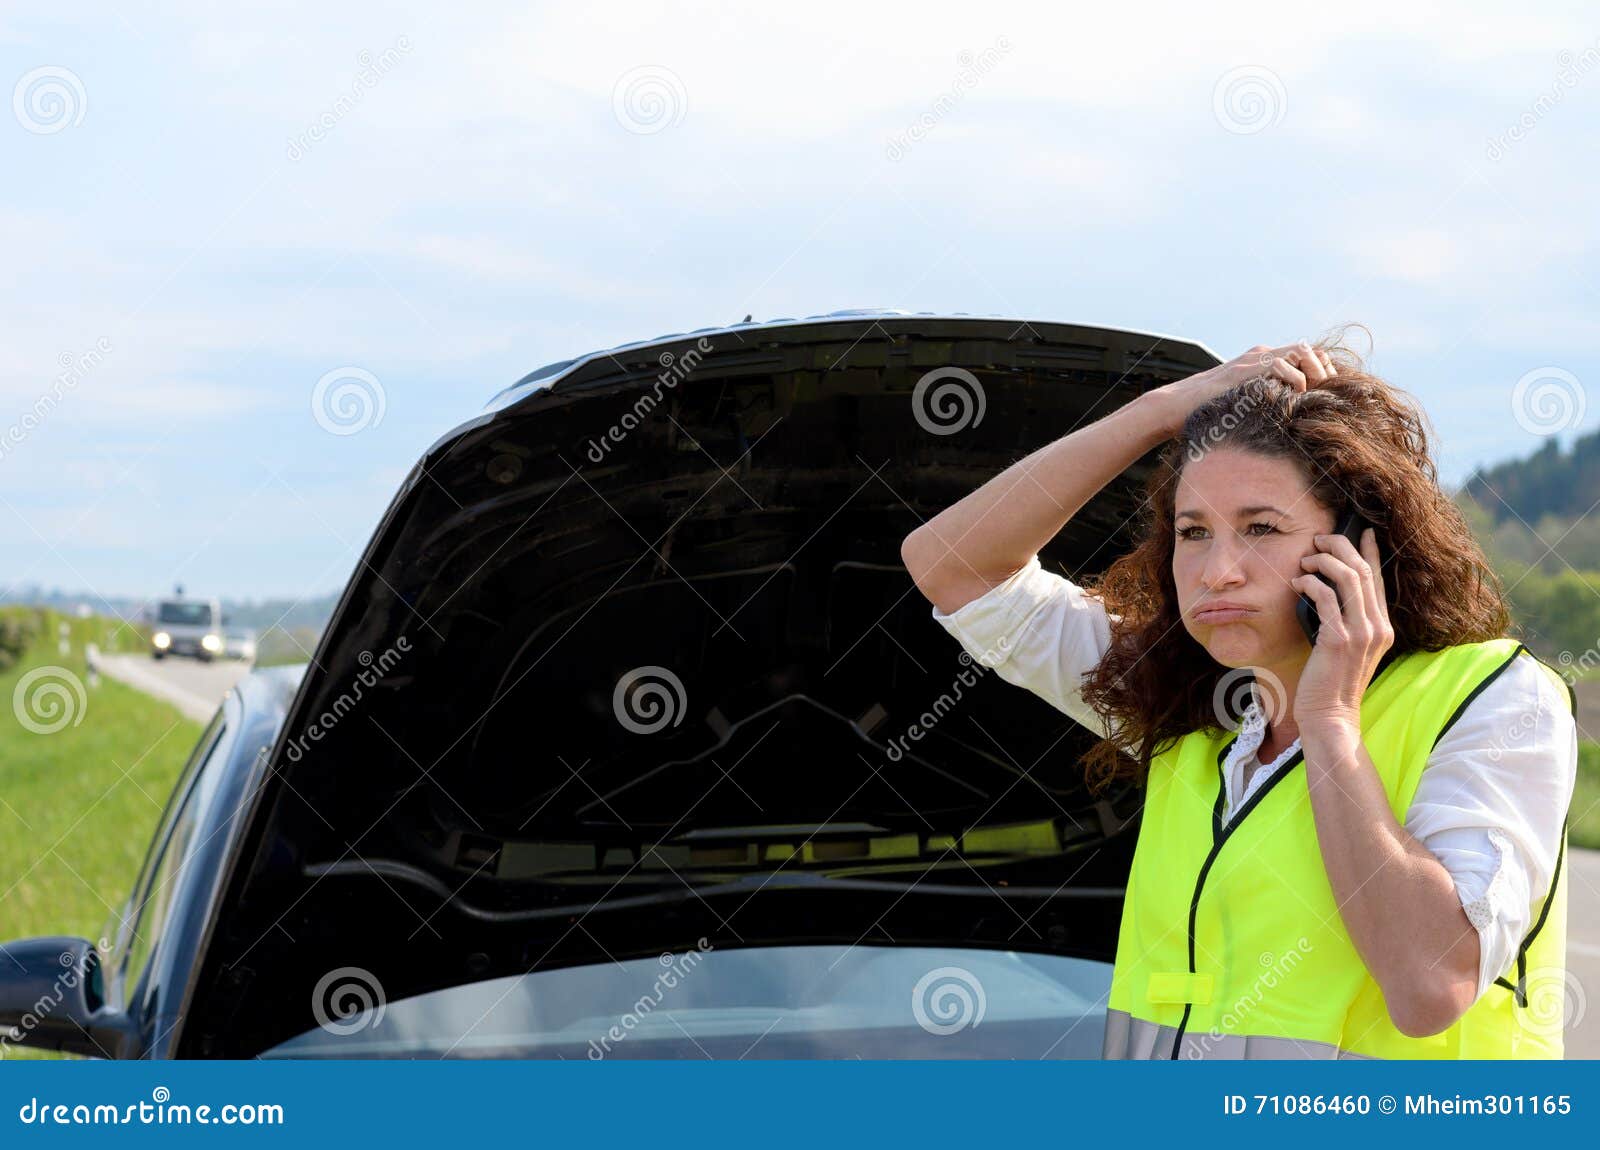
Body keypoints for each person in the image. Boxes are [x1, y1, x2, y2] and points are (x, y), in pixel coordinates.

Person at [901, 338, 1577, 1059]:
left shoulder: (1497, 700)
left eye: (1261, 528)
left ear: (1360, 549)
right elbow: (951, 567)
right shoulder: (1186, 702)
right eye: (1193, 533)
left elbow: (1427, 985)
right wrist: (1158, 414)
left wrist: (1329, 722)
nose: (1218, 571)